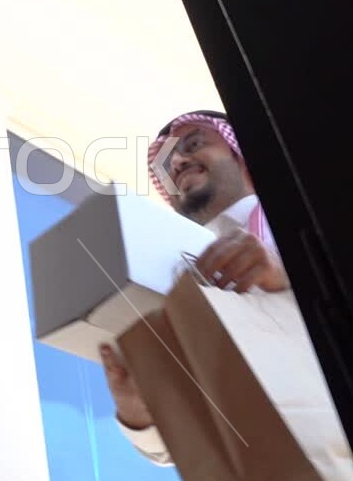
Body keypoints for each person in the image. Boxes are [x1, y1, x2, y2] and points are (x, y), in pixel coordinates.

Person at [99, 110, 289, 466]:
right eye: (168, 163)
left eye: (195, 144)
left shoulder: (303, 215)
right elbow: (192, 444)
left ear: (239, 151)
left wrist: (286, 281)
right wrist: (141, 413)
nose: (179, 162)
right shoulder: (169, 273)